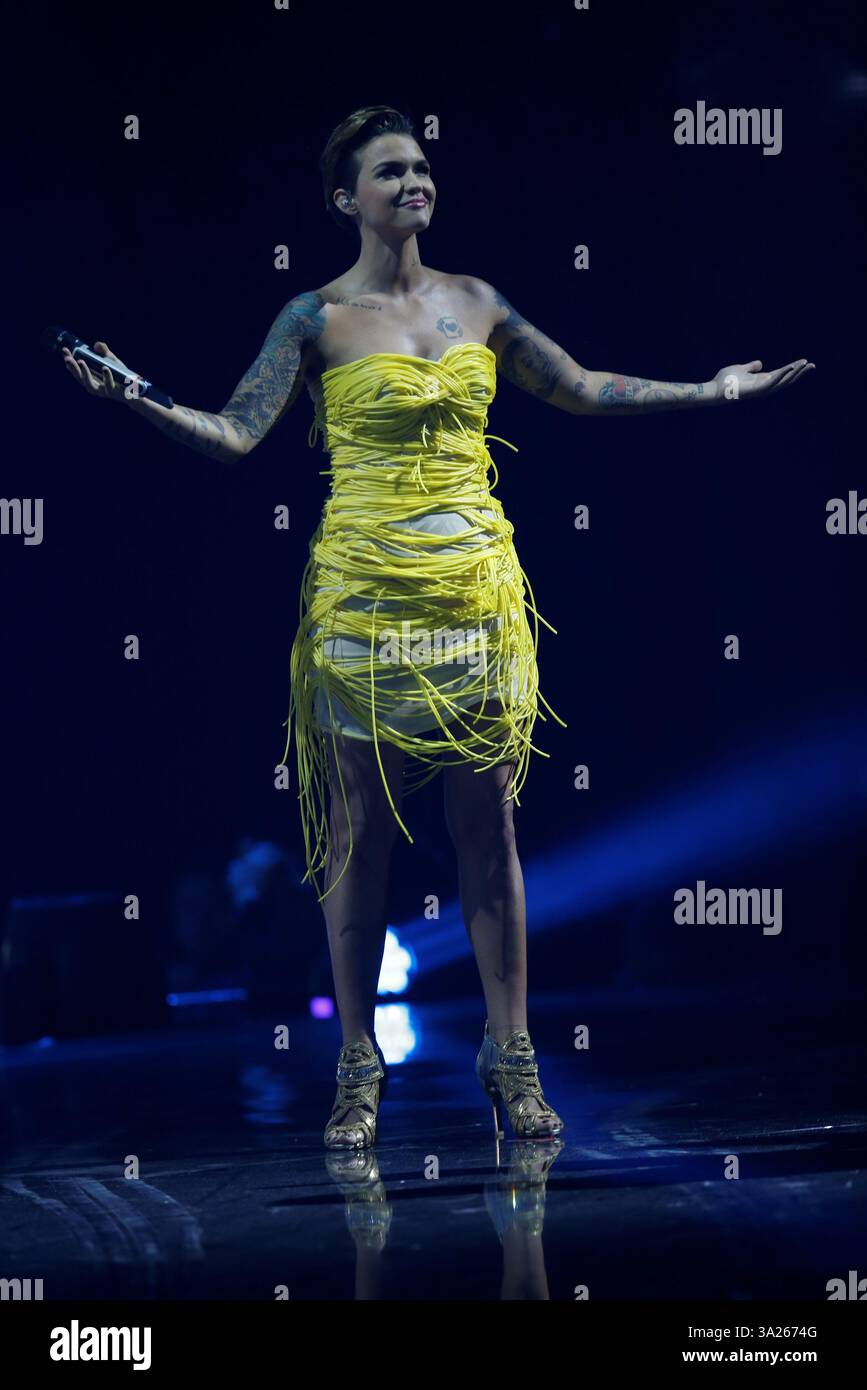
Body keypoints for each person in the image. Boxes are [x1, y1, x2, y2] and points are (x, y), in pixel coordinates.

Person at [61, 105, 814, 1151]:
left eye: (420, 166)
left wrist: (712, 389)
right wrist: (135, 396)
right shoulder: (312, 317)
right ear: (344, 199)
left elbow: (585, 387)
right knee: (360, 835)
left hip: (472, 591)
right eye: (388, 171)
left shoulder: (478, 301)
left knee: (487, 827)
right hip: (366, 593)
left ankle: (513, 1063)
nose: (413, 181)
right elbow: (235, 434)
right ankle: (357, 1067)